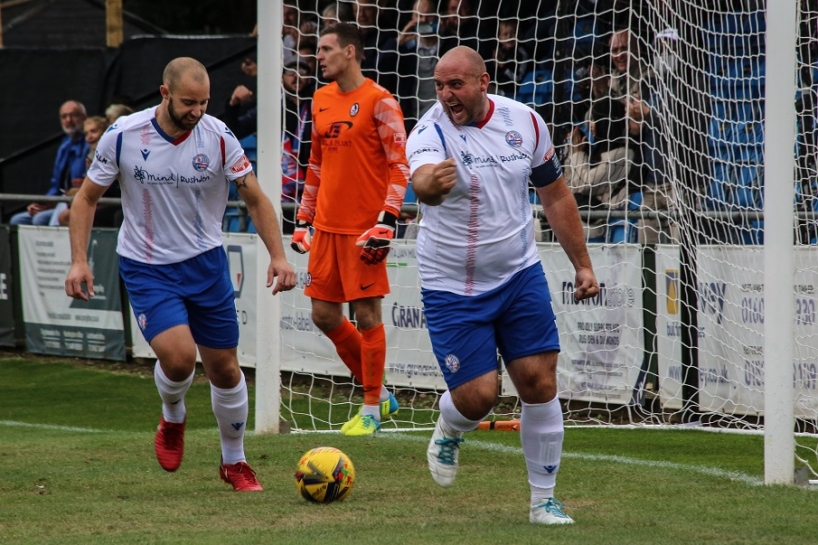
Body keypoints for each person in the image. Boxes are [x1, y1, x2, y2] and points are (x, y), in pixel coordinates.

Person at [64, 57, 297, 491]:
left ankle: (234, 462)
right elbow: (86, 199)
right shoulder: (123, 135)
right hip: (147, 265)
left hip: (205, 264)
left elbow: (257, 201)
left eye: (205, 102)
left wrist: (278, 256)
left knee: (227, 370)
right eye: (189, 102)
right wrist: (79, 260)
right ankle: (173, 416)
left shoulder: (219, 137)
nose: (198, 111)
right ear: (165, 93)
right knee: (178, 358)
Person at [406, 46, 599, 524]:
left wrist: (583, 265)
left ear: (483, 82)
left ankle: (543, 502)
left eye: (456, 85)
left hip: (518, 272)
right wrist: (432, 184)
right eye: (440, 85)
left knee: (539, 382)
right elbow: (422, 182)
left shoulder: (527, 122)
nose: (446, 95)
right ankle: (450, 427)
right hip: (451, 283)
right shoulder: (430, 130)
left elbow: (554, 194)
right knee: (478, 397)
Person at [290, 22, 409, 436]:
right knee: (323, 315)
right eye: (317, 50)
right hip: (326, 227)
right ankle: (383, 393)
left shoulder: (380, 101)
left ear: (350, 53)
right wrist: (304, 218)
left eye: (325, 49)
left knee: (367, 315)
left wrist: (387, 219)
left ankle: (372, 409)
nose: (318, 56)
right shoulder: (320, 98)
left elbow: (399, 165)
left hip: (364, 230)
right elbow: (316, 165)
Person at [562, 97, 633, 240]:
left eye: (595, 120)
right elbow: (569, 185)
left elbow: (584, 184)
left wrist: (577, 153)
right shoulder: (595, 149)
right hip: (581, 215)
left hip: (600, 221)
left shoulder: (622, 154)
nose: (591, 126)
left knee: (547, 223)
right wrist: (572, 151)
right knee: (537, 213)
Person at [10, 100, 89, 226]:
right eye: (64, 116)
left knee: (40, 219)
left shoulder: (89, 144)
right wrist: (42, 203)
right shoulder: (64, 145)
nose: (68, 120)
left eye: (73, 115)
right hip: (58, 200)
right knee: (17, 220)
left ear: (84, 117)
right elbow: (55, 185)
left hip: (75, 199)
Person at [53, 115, 111, 227]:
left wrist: (83, 186)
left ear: (105, 133)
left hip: (110, 202)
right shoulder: (90, 156)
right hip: (97, 199)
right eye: (86, 134)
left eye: (93, 131)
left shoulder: (109, 154)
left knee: (65, 215)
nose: (89, 137)